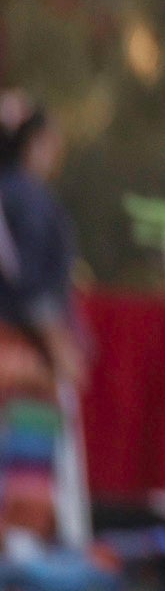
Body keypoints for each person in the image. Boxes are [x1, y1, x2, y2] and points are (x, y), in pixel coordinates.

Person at [0, 92, 83, 547]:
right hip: (22, 352)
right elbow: (32, 285)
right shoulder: (29, 198)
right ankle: (20, 546)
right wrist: (59, 347)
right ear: (36, 143)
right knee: (26, 462)